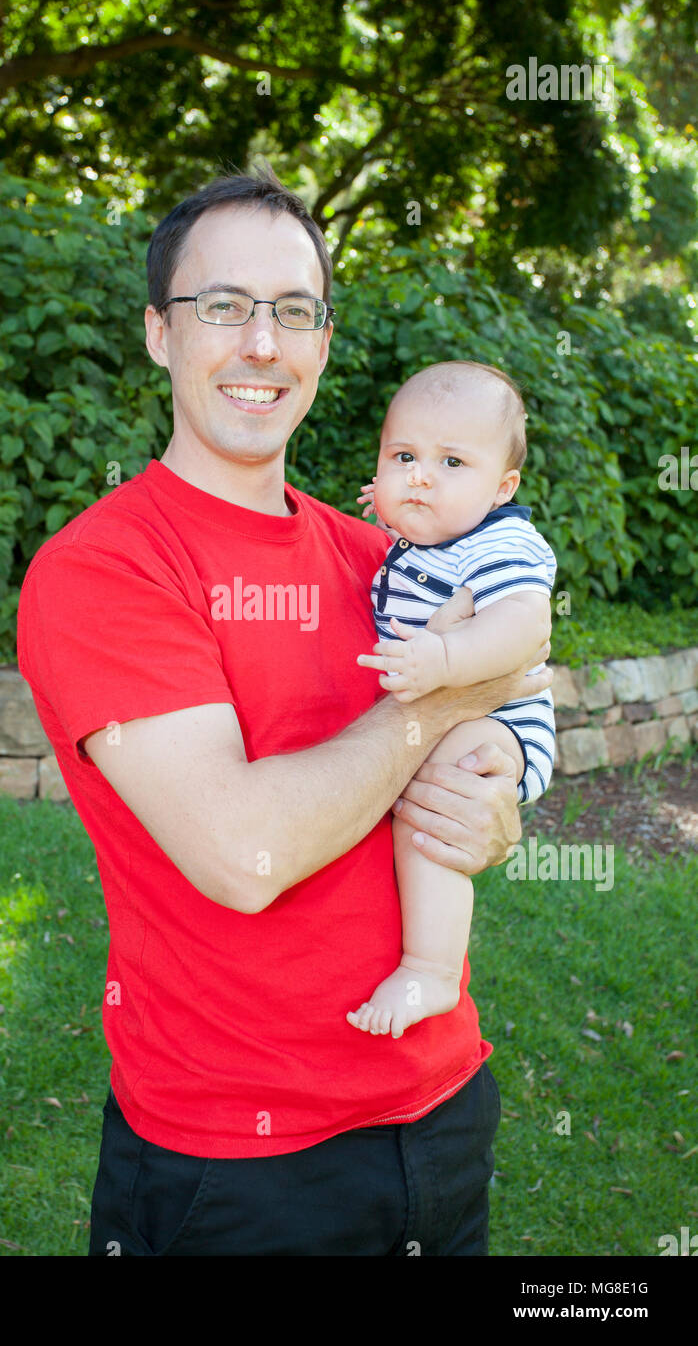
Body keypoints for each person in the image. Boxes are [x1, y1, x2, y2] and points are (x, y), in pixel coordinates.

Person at [16, 165, 553, 1257]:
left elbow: (521, 683)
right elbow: (246, 852)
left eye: (292, 311)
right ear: (160, 334)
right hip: (237, 1167)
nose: (261, 342)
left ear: (320, 339)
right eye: (222, 306)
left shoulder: (384, 557)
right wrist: (442, 703)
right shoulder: (104, 569)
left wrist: (496, 795)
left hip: (442, 1105)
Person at [346, 361, 556, 1040]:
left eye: (451, 462)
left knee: (434, 805)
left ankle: (431, 970)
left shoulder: (501, 542)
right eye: (403, 456)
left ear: (503, 488)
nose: (421, 476)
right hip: (464, 714)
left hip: (500, 724)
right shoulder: (425, 543)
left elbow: (525, 624)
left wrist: (442, 660)